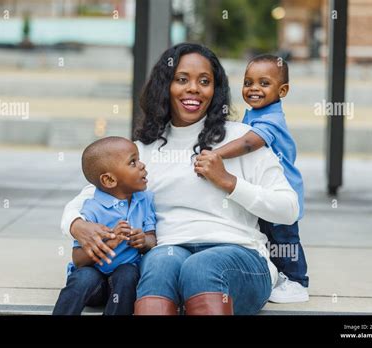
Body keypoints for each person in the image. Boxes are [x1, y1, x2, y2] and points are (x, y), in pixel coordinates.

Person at [61, 43, 299, 315]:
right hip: (170, 251)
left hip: (239, 255)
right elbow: (87, 197)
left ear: (215, 90)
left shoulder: (242, 139)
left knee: (200, 266)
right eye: (182, 79)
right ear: (166, 86)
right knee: (159, 262)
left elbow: (288, 209)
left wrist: (229, 183)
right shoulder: (144, 150)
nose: (194, 89)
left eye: (205, 81)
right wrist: (76, 225)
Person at [210, 54, 309, 303]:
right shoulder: (253, 114)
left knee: (285, 239)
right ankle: (280, 277)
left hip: (281, 192)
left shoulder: (272, 119)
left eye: (264, 83)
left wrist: (215, 155)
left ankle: (298, 282)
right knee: (267, 236)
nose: (253, 88)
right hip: (262, 191)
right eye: (248, 82)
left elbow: (247, 143)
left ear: (282, 90)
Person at [53, 136, 157, 315]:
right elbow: (78, 259)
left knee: (128, 273)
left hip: (123, 284)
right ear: (109, 180)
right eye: (133, 162)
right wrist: (111, 242)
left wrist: (143, 241)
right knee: (84, 276)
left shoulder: (145, 200)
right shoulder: (92, 209)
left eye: (139, 159)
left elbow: (152, 239)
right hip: (94, 285)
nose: (142, 165)